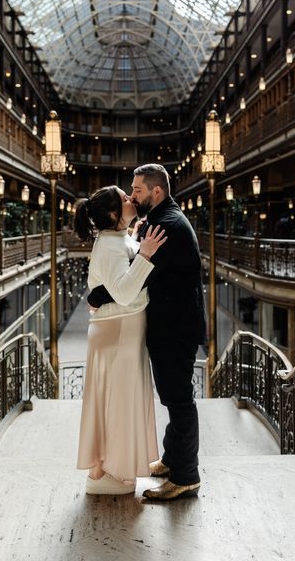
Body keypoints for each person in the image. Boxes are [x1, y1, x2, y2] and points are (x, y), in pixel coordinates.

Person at [88, 164, 206, 501]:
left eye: (137, 190)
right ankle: (172, 460)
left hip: (175, 328)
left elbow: (142, 277)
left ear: (155, 191)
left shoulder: (165, 226)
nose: (133, 195)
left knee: (179, 400)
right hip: (172, 324)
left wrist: (98, 295)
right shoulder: (161, 218)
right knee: (174, 397)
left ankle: (185, 477)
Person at [74, 185, 167, 495]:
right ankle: (111, 473)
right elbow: (125, 292)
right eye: (126, 199)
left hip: (118, 330)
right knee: (118, 401)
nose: (132, 199)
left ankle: (103, 469)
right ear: (114, 213)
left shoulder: (115, 239)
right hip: (119, 332)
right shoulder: (111, 246)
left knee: (111, 400)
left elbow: (118, 277)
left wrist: (136, 240)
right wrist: (146, 254)